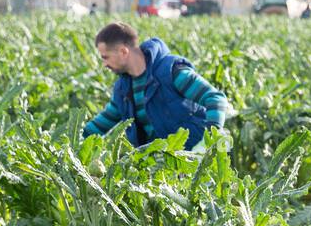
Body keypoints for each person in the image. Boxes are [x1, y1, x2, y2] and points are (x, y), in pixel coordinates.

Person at [83, 21, 230, 151]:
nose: (104, 64)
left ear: (123, 51)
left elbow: (215, 98)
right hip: (162, 171)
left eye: (105, 57)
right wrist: (68, 143)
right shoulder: (123, 89)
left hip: (195, 160)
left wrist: (208, 143)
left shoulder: (171, 72)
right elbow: (99, 125)